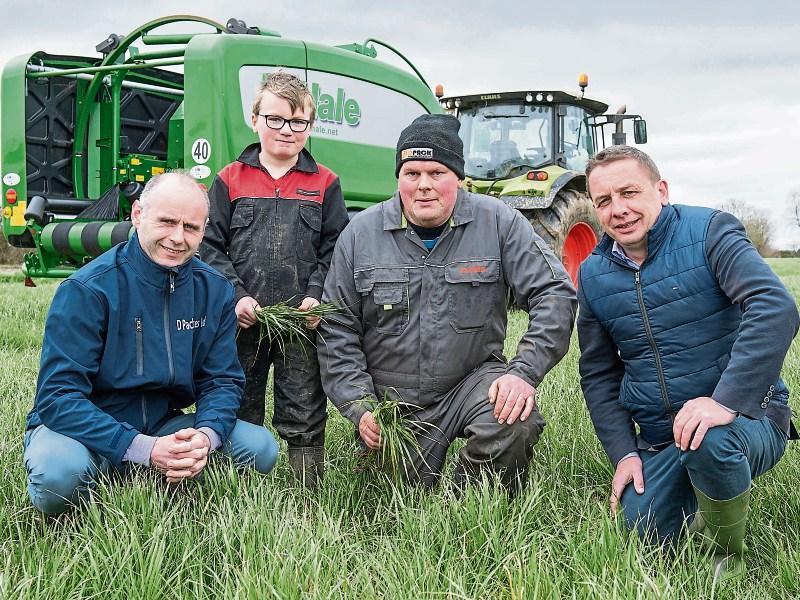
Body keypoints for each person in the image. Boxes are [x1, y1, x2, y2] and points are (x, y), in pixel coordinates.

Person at [317, 113, 577, 492]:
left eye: (437, 172)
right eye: (412, 173)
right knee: (395, 494)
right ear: (399, 178)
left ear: (458, 177)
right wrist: (361, 408)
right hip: (393, 401)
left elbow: (554, 293)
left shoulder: (498, 222)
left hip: (471, 382)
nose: (424, 185)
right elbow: (336, 328)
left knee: (513, 422)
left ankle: (468, 501)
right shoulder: (359, 235)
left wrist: (522, 373)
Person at [577, 145, 799, 575]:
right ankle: (704, 496)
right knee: (641, 532)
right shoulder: (592, 274)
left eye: (629, 193)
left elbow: (775, 307)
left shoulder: (710, 231)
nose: (618, 209)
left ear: (660, 190)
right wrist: (624, 453)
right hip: (664, 437)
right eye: (604, 201)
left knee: (712, 442)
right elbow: (599, 374)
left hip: (747, 418)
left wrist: (725, 401)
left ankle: (725, 555)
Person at [23, 172, 279, 516]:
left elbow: (221, 380)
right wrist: (141, 447)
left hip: (164, 425)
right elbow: (57, 398)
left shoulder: (215, 291)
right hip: (84, 431)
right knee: (58, 473)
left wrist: (204, 436)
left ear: (204, 230)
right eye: (167, 221)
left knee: (260, 447)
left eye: (191, 227)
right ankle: (117, 470)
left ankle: (155, 469)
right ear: (138, 214)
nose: (177, 238)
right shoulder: (87, 290)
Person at [200, 72, 348, 488]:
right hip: (243, 321)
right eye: (276, 119)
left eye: (298, 122)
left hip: (300, 322)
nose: (287, 130)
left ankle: (306, 494)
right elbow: (210, 246)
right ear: (255, 119)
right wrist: (236, 296)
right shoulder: (230, 178)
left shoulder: (325, 182)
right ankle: (235, 491)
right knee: (239, 403)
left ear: (310, 126)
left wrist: (317, 296)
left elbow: (335, 248)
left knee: (303, 408)